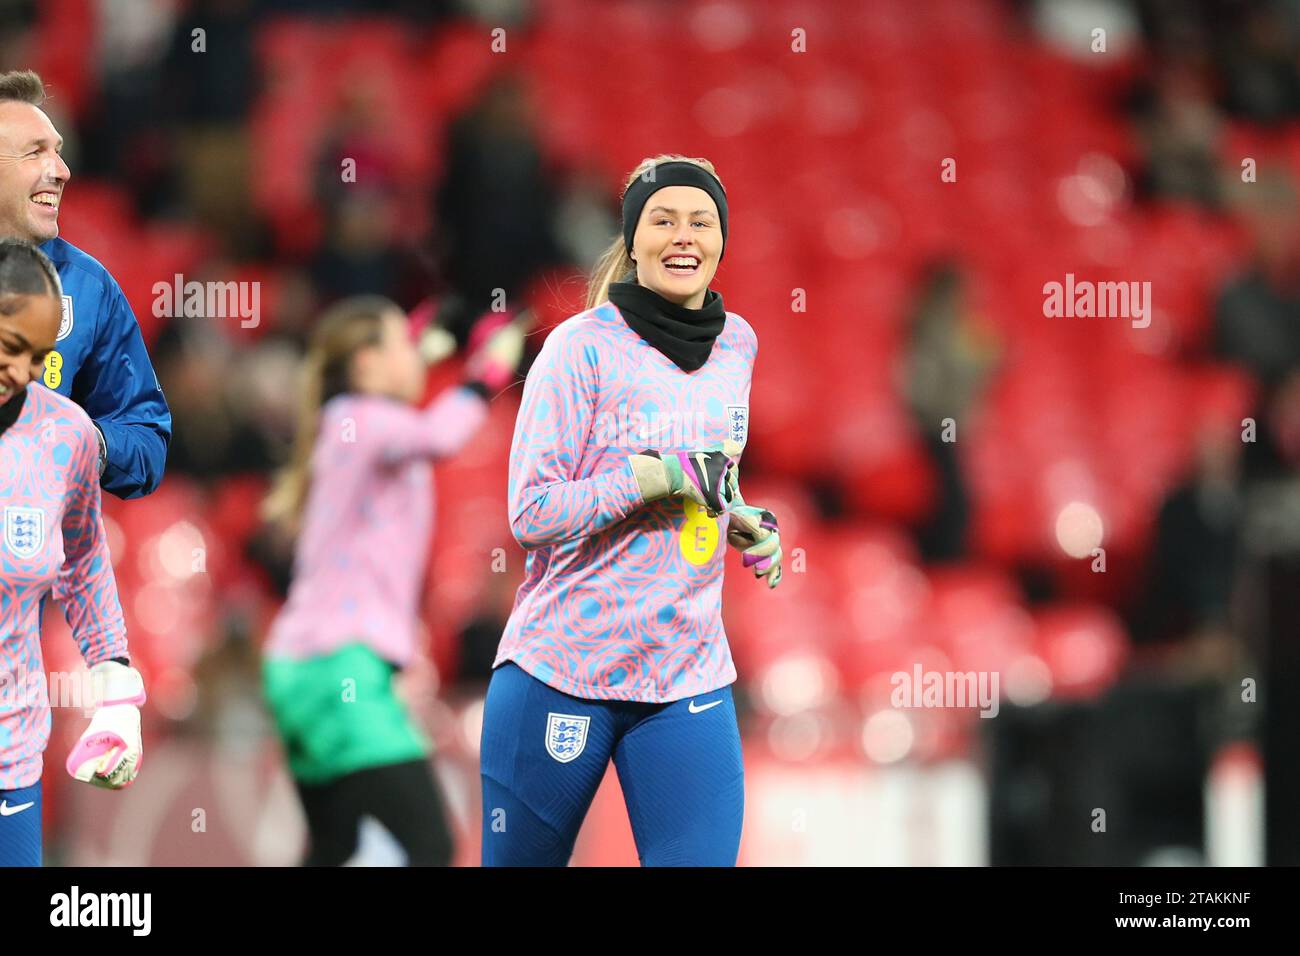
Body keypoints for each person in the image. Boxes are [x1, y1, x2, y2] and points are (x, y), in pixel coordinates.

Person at [479, 154, 782, 867]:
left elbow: (710, 474)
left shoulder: (738, 344)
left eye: (701, 221)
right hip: (565, 670)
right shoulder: (578, 349)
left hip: (688, 676)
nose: (684, 237)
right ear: (633, 236)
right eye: (664, 220)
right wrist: (649, 478)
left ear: (722, 238)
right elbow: (532, 512)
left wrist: (744, 519)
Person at [261, 295, 525, 866]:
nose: (419, 355)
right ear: (365, 363)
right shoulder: (370, 421)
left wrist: (420, 355)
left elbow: (402, 418)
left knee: (336, 845)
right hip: (340, 668)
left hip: (303, 668)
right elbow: (437, 436)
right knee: (431, 844)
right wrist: (486, 375)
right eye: (402, 345)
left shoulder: (345, 424)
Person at [0, 239, 146, 867]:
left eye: (36, 356)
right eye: (10, 347)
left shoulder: (66, 435)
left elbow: (84, 560)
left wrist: (117, 692)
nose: (22, 373)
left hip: (12, 752)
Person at [0, 69, 170, 498]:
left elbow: (146, 435)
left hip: (35, 556)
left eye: (57, 152)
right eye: (35, 152)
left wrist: (91, 443)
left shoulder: (89, 288)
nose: (62, 170)